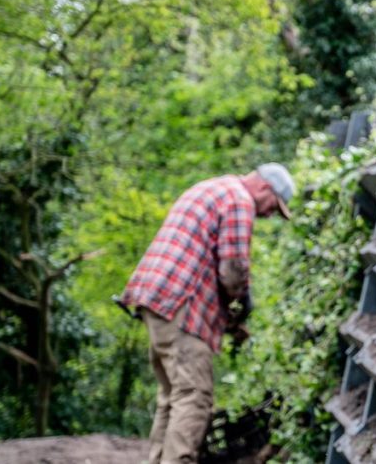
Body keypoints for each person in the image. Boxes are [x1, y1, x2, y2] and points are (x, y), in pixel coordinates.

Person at [119, 163, 295, 464]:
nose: (268, 215)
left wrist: (230, 323)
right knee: (194, 396)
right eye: (273, 206)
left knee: (172, 397)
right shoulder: (239, 200)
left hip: (157, 301)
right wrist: (243, 309)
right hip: (182, 308)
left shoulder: (212, 188)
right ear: (264, 187)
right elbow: (233, 269)